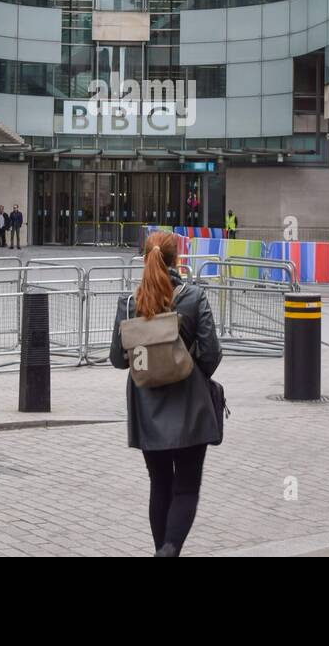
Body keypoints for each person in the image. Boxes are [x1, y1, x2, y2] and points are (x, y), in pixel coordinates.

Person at [109, 231, 222, 557]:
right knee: (186, 488)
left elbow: (118, 359)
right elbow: (211, 354)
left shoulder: (130, 302)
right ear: (177, 258)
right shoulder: (193, 296)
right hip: (189, 405)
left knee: (160, 484)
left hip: (147, 407)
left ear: (145, 257)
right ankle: (169, 550)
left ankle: (163, 550)